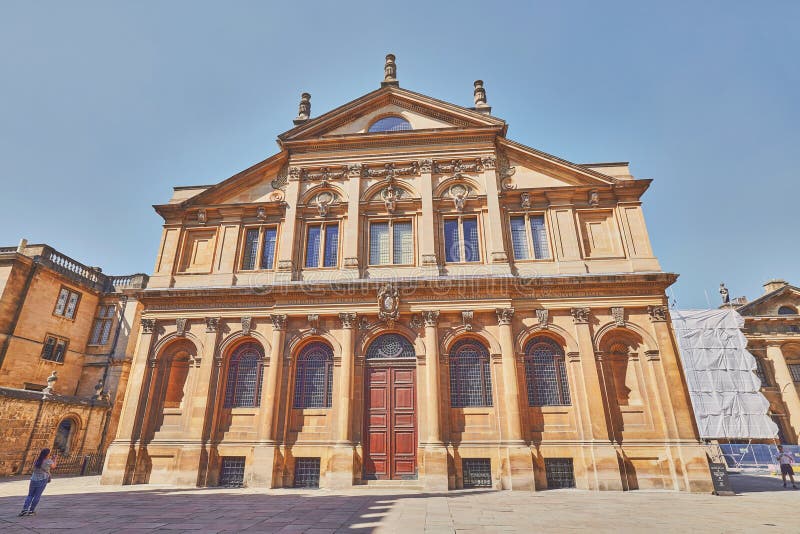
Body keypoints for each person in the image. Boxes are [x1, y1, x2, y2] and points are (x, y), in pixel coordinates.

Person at [19, 448, 57, 516]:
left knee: (30, 495)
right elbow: (54, 466)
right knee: (37, 495)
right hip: (43, 479)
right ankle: (31, 510)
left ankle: (24, 509)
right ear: (47, 454)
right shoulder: (48, 461)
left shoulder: (37, 460)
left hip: (33, 479)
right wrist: (54, 459)